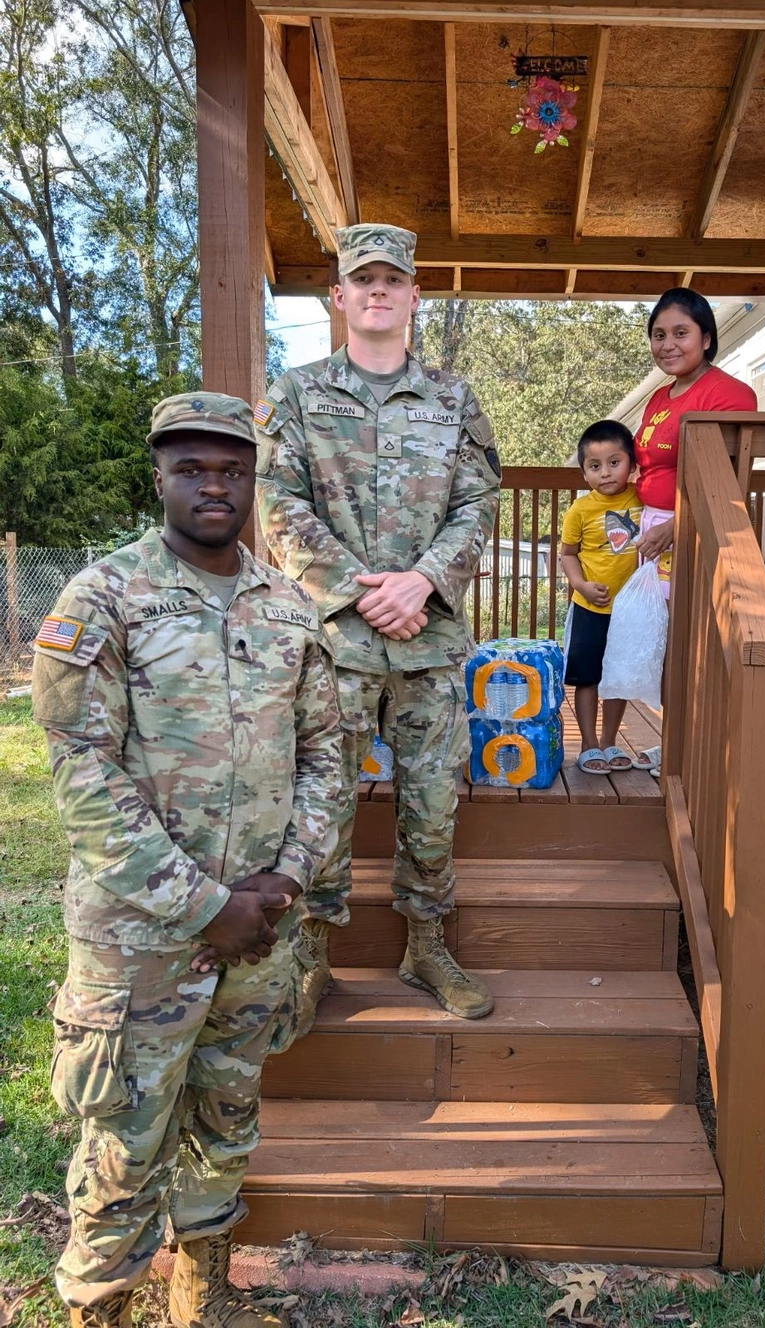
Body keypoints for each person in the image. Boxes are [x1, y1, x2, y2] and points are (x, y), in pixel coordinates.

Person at [32, 393, 342, 1328]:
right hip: (143, 941)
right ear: (160, 475)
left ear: (253, 480)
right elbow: (81, 772)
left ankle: (199, 1300)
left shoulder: (289, 605)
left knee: (227, 1120)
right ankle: (101, 1307)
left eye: (232, 469)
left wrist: (286, 879)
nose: (215, 485)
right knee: (125, 1143)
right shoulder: (103, 596)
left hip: (261, 928)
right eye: (192, 468)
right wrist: (205, 903)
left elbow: (326, 753)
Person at [255, 223, 501, 1020]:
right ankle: (312, 956)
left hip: (428, 643)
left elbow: (477, 500)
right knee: (320, 804)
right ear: (339, 297)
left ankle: (427, 948)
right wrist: (363, 591)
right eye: (364, 279)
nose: (379, 291)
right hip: (336, 643)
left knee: (431, 805)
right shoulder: (296, 394)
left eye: (393, 279)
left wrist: (423, 581)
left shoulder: (456, 399)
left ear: (414, 295)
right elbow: (277, 501)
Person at [631, 288, 757, 775]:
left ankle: (702, 747)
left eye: (680, 333)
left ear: (706, 337)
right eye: (658, 335)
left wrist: (678, 527)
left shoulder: (729, 395)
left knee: (696, 645)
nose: (667, 344)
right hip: (655, 534)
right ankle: (677, 739)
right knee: (667, 642)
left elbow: (730, 484)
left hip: (699, 534)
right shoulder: (661, 397)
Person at [560, 420, 642, 775]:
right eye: (595, 466)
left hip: (630, 610)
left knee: (619, 676)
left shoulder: (643, 498)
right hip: (590, 607)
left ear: (633, 465)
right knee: (587, 677)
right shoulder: (580, 510)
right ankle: (589, 744)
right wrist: (580, 585)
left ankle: (610, 741)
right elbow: (567, 553)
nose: (606, 473)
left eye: (614, 462)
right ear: (584, 473)